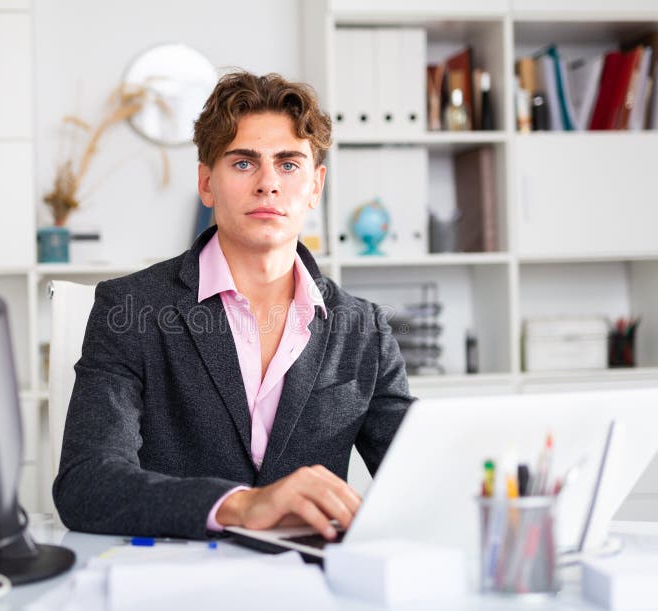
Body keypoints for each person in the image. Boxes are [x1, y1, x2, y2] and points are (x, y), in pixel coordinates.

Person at [53, 71, 414, 542]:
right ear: (207, 183)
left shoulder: (364, 328)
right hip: (175, 577)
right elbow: (86, 484)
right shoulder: (129, 308)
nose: (268, 183)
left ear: (315, 186)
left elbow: (418, 473)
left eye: (288, 164)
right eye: (244, 164)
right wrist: (241, 506)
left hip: (311, 585)